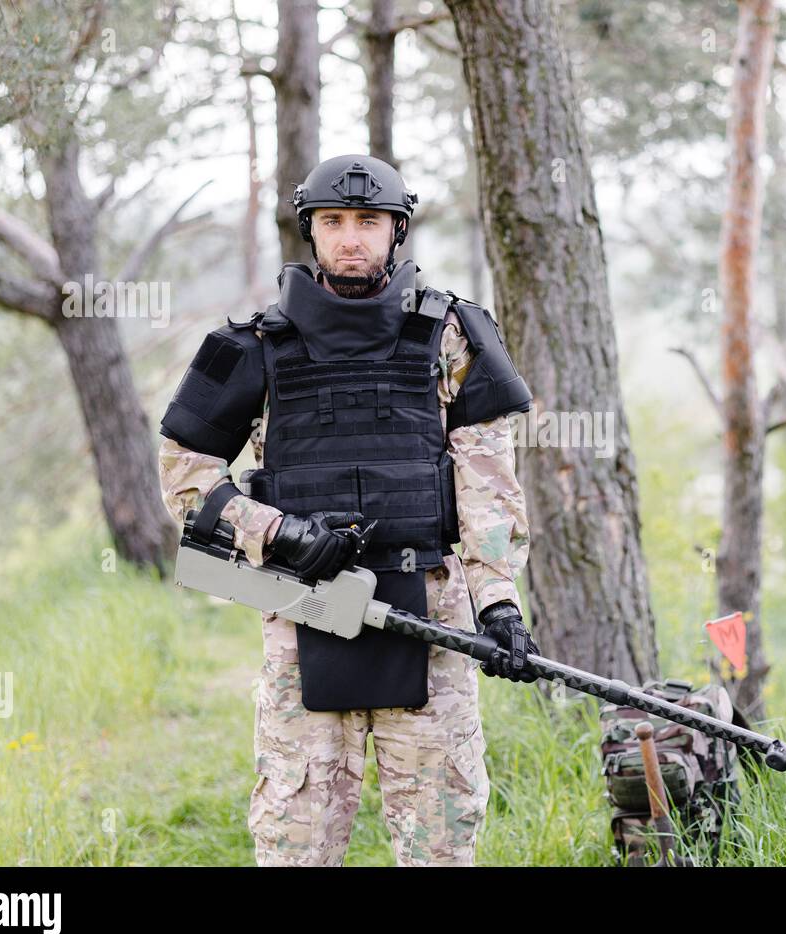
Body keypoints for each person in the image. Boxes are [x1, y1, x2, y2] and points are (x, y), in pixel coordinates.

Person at [156, 154, 537, 866]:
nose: (351, 238)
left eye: (368, 221)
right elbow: (183, 469)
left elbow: (488, 481)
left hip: (430, 614)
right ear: (311, 232)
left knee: (442, 840)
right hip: (303, 615)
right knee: (296, 840)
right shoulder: (257, 345)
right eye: (333, 222)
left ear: (397, 230)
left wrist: (499, 605)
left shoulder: (452, 335)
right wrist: (277, 533)